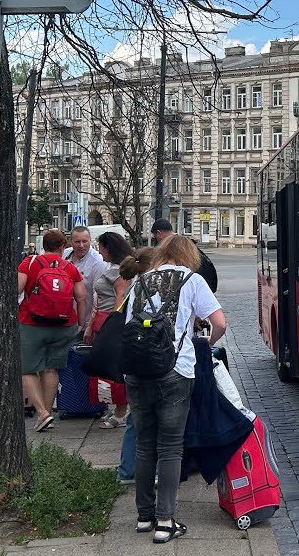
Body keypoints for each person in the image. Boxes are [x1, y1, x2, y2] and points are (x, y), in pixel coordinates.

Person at [123, 236, 225, 544]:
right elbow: (219, 322)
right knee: (170, 447)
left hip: (137, 371)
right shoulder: (191, 280)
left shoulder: (140, 281)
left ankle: (144, 517)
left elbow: (127, 323)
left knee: (144, 443)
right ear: (188, 256)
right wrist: (208, 343)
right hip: (174, 370)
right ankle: (165, 521)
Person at [18, 229, 89, 432]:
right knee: (51, 369)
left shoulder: (30, 263)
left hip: (32, 324)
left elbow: (18, 288)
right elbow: (81, 298)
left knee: (28, 370)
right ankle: (46, 414)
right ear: (62, 247)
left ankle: (42, 413)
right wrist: (80, 324)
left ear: (43, 246)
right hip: (63, 325)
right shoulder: (70, 267)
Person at [113, 246, 157, 486]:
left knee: (135, 418)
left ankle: (127, 470)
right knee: (158, 418)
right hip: (153, 358)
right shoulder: (153, 287)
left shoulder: (133, 288)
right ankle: (157, 469)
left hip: (133, 359)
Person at [87, 231, 133, 429]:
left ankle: (121, 411)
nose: (99, 251)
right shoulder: (113, 268)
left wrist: (114, 324)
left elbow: (120, 297)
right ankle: (117, 409)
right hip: (102, 319)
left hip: (110, 320)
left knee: (114, 368)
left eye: (101, 247)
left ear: (109, 248)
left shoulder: (119, 270)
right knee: (108, 368)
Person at [151, 219, 218, 293]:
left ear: (159, 233)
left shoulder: (171, 249)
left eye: (155, 237)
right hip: (202, 288)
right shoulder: (188, 245)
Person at [63, 225, 109, 332]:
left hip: (83, 324)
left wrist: (90, 326)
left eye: (84, 241)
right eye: (77, 241)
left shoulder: (98, 262)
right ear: (70, 241)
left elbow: (97, 296)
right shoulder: (65, 255)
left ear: (90, 240)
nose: (81, 245)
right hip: (63, 321)